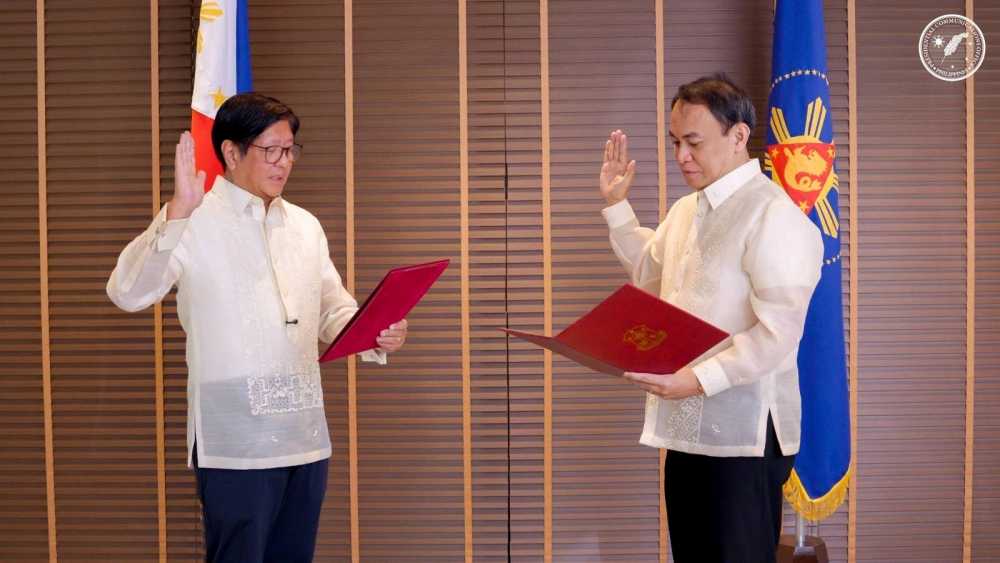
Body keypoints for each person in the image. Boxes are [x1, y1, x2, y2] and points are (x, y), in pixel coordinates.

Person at [107, 93, 407, 563]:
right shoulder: (193, 221)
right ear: (231, 152)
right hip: (234, 444)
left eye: (290, 150)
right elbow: (128, 293)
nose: (283, 163)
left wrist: (376, 332)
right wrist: (177, 212)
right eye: (271, 150)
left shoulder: (305, 226)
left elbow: (332, 310)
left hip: (306, 437)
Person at [598, 74, 822, 562]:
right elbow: (651, 274)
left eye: (693, 142)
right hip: (686, 427)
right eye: (675, 142)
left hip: (745, 434)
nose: (681, 156)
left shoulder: (773, 215)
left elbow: (778, 333)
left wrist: (697, 379)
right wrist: (617, 206)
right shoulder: (685, 211)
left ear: (738, 136)